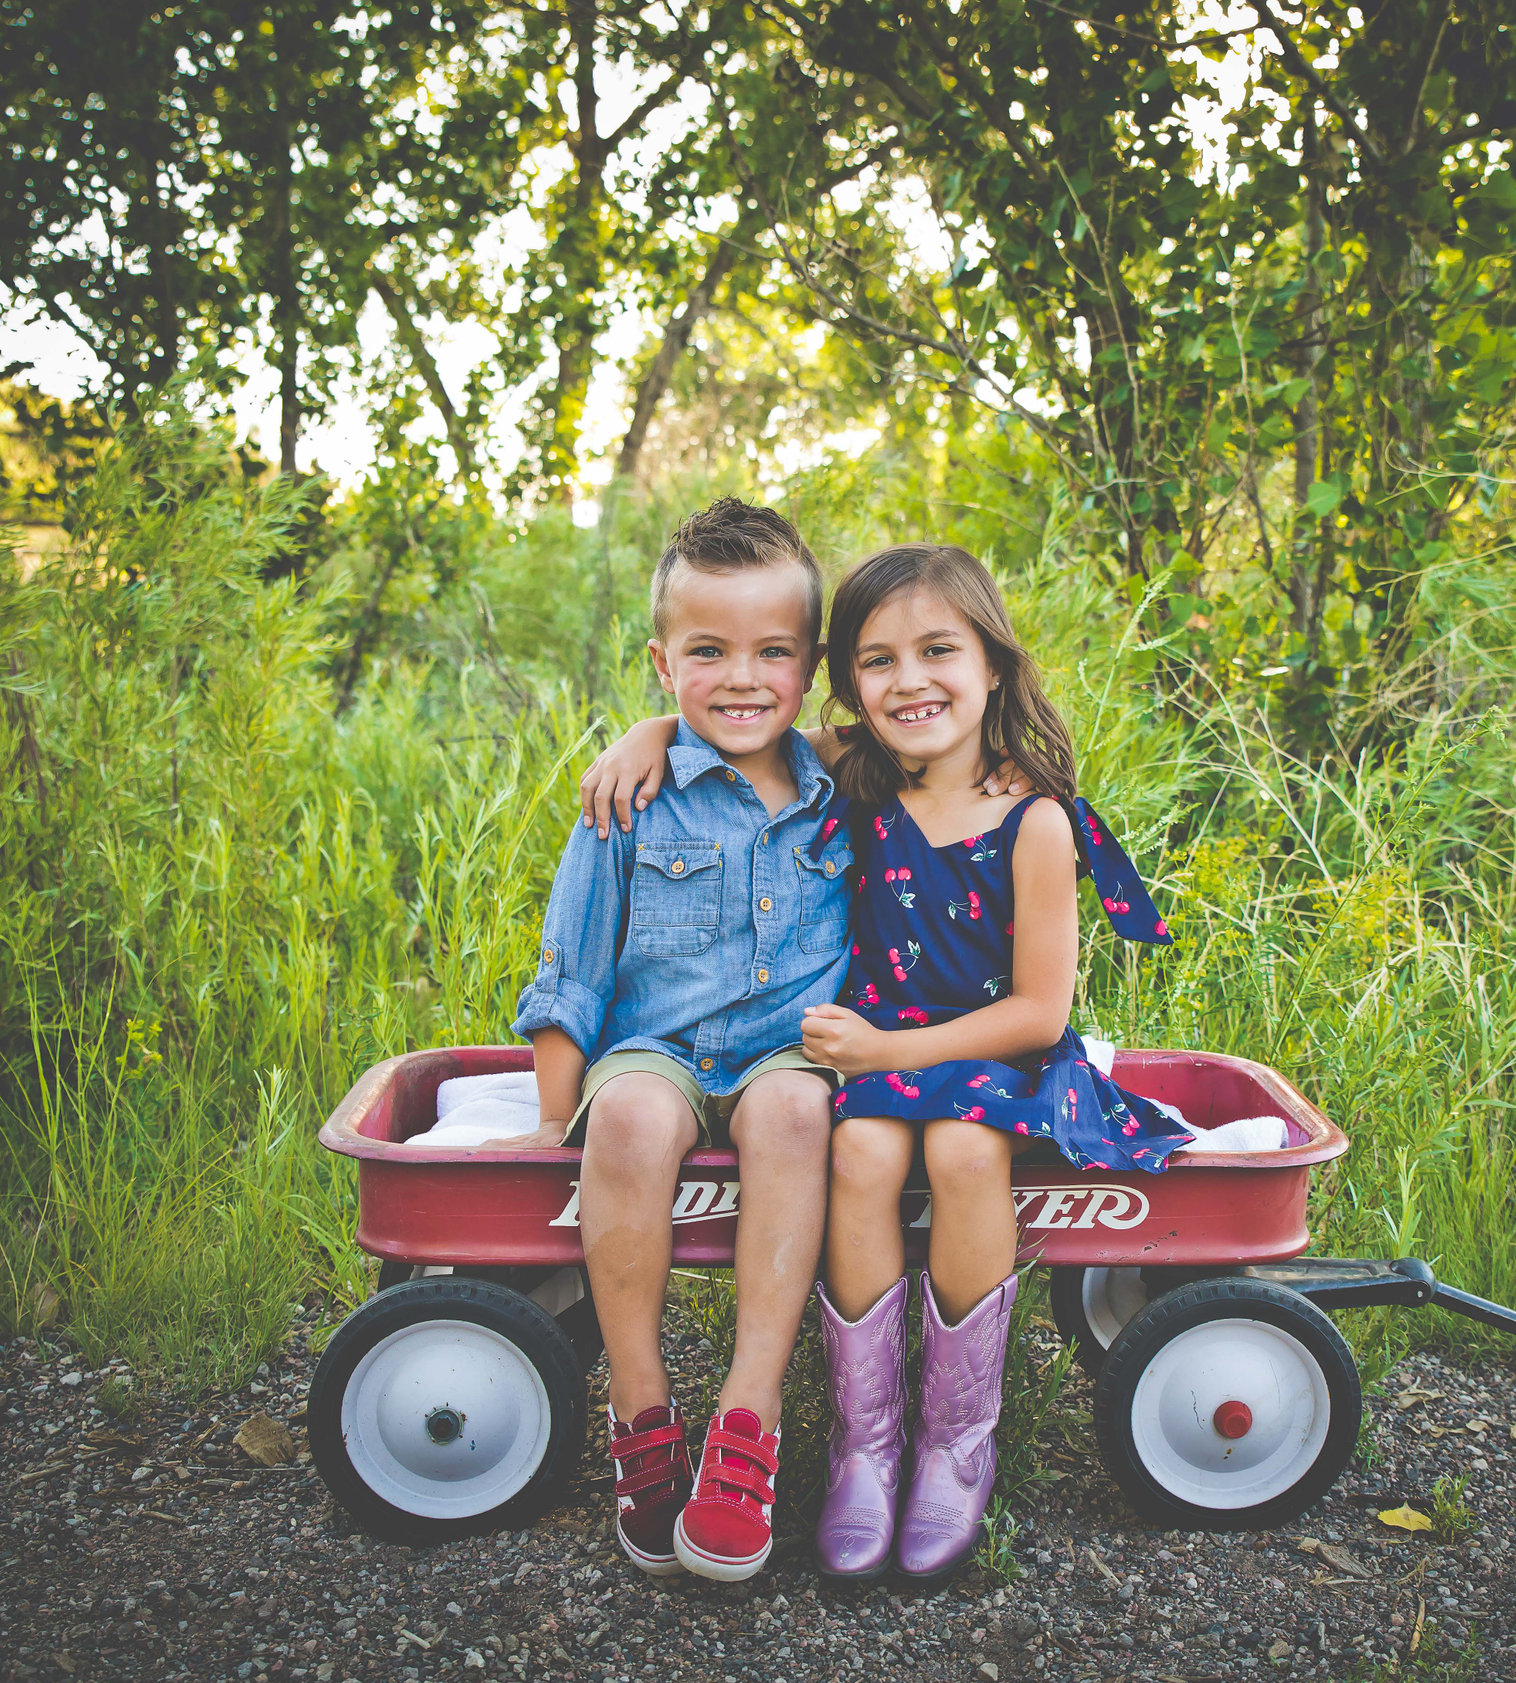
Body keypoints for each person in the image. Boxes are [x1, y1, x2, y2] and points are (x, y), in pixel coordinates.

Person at [579, 542, 1189, 1579]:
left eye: (938, 650)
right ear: (848, 688)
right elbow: (738, 725)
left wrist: (888, 1046)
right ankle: (864, 1444)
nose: (910, 681)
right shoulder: (856, 780)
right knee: (858, 1149)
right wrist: (648, 727)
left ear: (993, 662)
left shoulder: (1036, 821)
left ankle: (956, 1445)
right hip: (878, 1057)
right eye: (878, 661)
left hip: (989, 1054)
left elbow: (1041, 1013)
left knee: (960, 1154)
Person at [505, 498, 848, 1582]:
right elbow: (572, 971)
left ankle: (750, 1414)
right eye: (708, 651)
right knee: (637, 1113)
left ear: (812, 665)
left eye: (772, 652)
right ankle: (642, 1405)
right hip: (656, 1045)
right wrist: (554, 1118)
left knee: (799, 1107)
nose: (741, 677)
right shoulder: (630, 798)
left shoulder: (851, 791)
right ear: (662, 662)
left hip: (786, 1053)